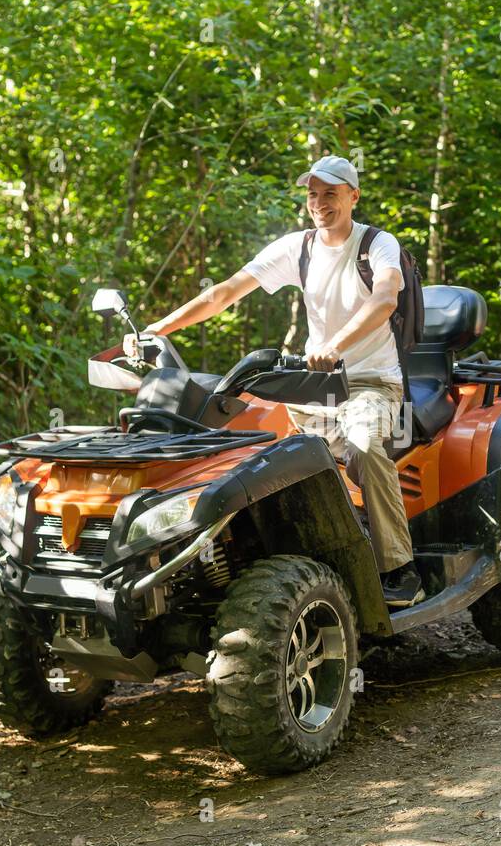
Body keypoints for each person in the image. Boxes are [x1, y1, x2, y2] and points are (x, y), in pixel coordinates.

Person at [141, 155, 424, 607]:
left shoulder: (377, 244)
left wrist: (336, 344)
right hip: (314, 390)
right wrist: (158, 329)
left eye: (330, 192)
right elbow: (225, 292)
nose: (319, 202)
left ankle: (400, 569)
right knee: (249, 457)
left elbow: (386, 299)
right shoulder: (300, 247)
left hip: (370, 384)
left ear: (353, 195)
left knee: (365, 447)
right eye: (312, 193)